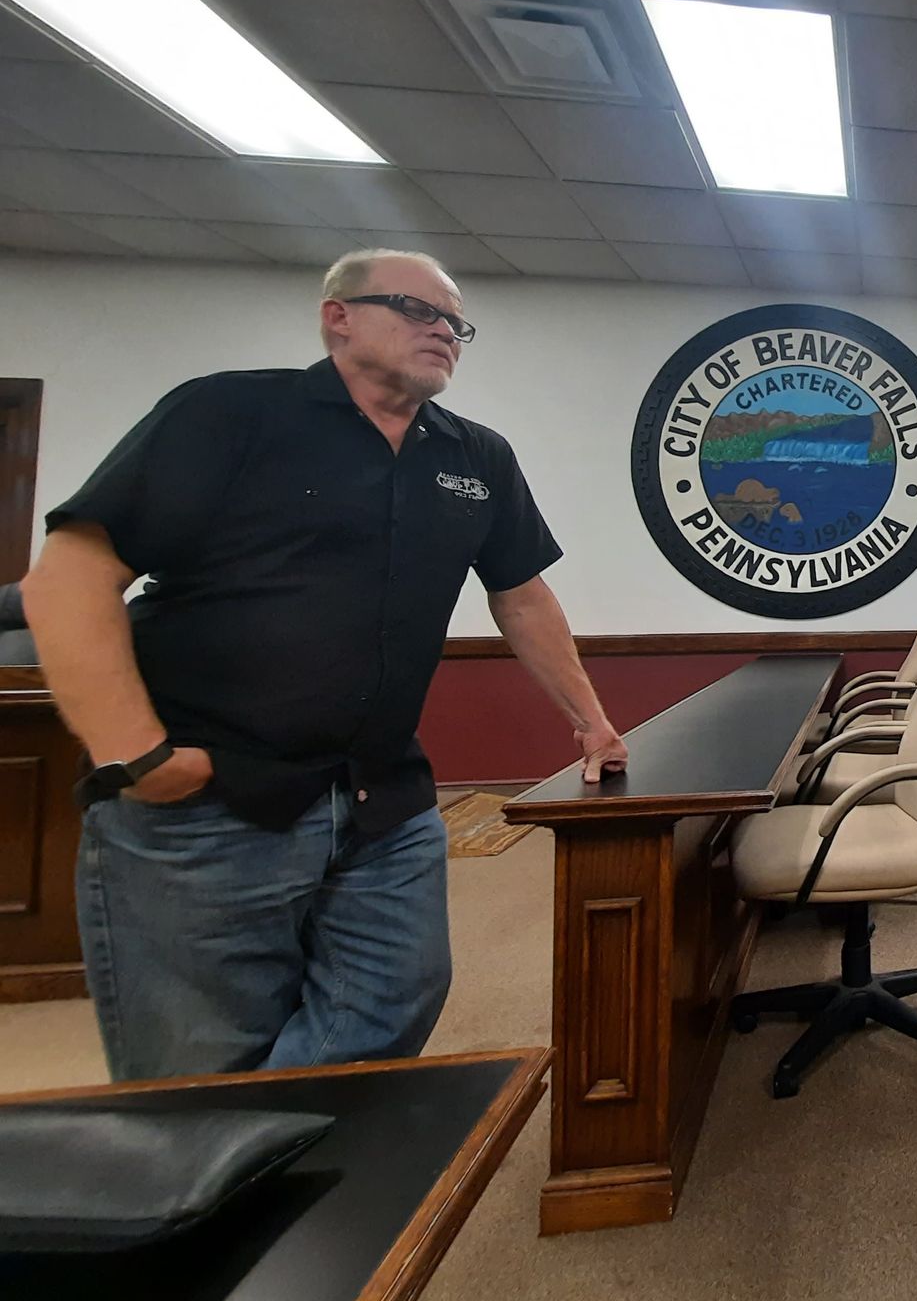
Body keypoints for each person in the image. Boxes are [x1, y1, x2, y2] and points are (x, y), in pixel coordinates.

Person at [20, 249, 628, 1081]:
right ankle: (228, 1188)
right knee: (196, 1064)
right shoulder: (228, 413)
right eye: (421, 311)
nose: (445, 332)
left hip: (382, 798)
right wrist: (140, 756)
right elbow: (71, 576)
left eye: (458, 323)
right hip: (212, 798)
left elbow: (520, 595)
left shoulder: (475, 457)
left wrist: (589, 720)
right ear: (337, 317)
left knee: (394, 997)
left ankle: (268, 1167)